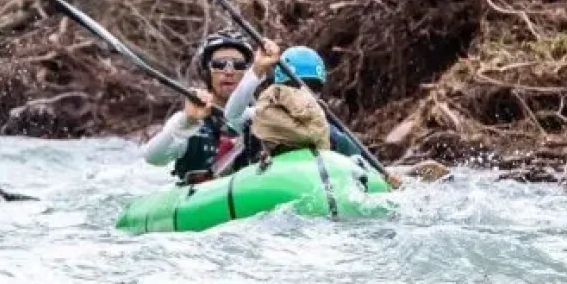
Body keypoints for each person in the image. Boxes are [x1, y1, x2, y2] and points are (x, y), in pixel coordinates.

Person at [226, 41, 404, 187]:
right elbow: (232, 114)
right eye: (294, 86)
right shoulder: (259, 117)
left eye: (313, 87)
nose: (302, 92)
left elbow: (362, 166)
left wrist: (384, 180)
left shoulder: (330, 133)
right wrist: (257, 70)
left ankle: (404, 172)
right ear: (278, 88)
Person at [140, 29, 259, 183]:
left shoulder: (258, 116)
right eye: (219, 64)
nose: (229, 71)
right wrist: (187, 122)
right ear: (206, 73)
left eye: (238, 65)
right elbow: (153, 158)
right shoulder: (186, 122)